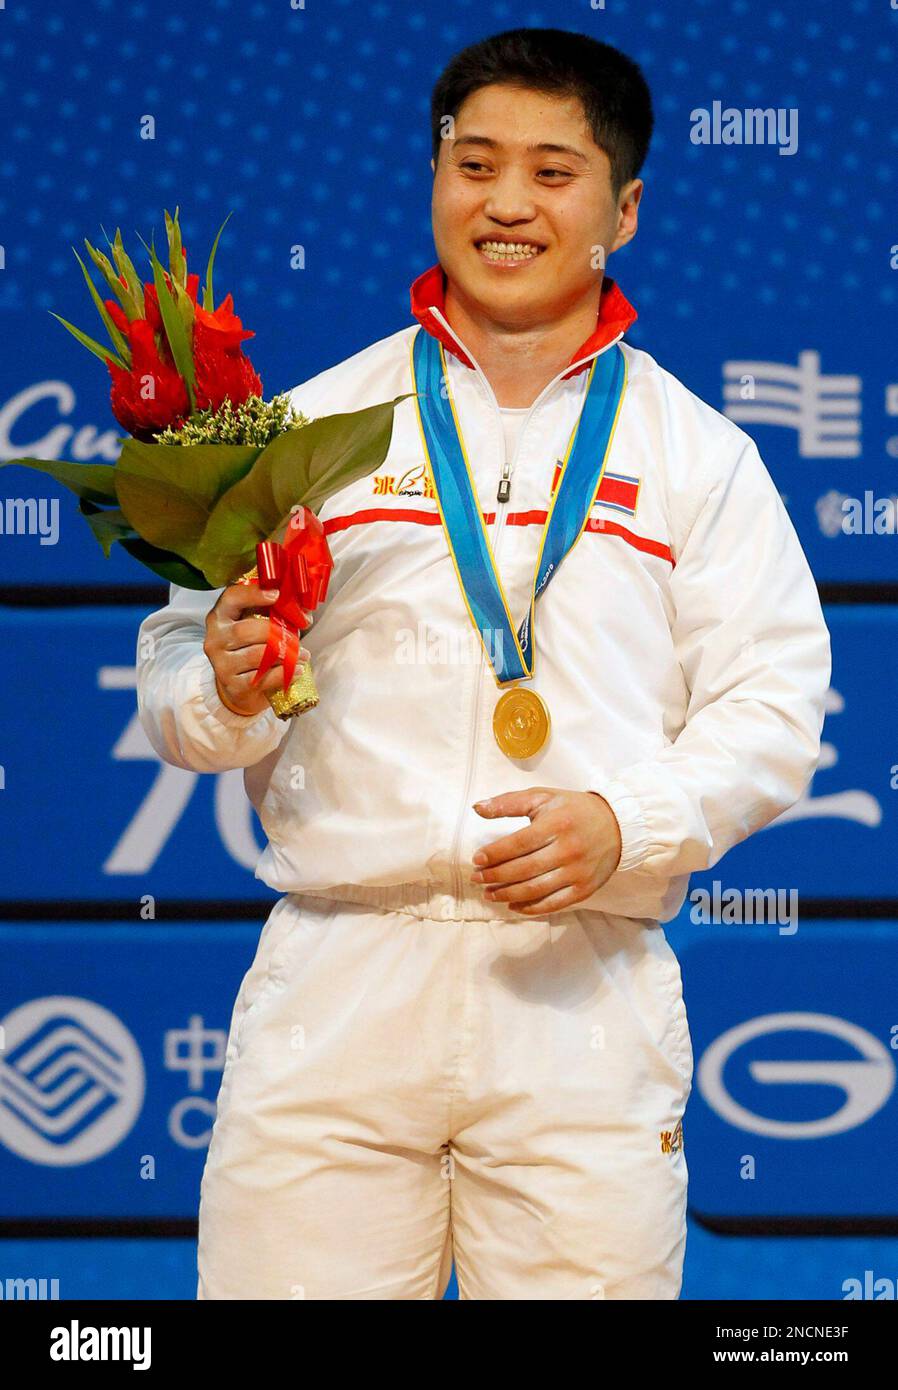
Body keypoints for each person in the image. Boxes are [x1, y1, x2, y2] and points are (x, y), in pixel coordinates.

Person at [137, 28, 831, 1300]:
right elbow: (183, 680)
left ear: (622, 207)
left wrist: (627, 820)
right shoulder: (306, 426)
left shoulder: (698, 454)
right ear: (435, 177)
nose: (506, 203)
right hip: (341, 984)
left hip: (579, 989)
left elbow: (774, 705)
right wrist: (223, 686)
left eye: (553, 172)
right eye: (476, 162)